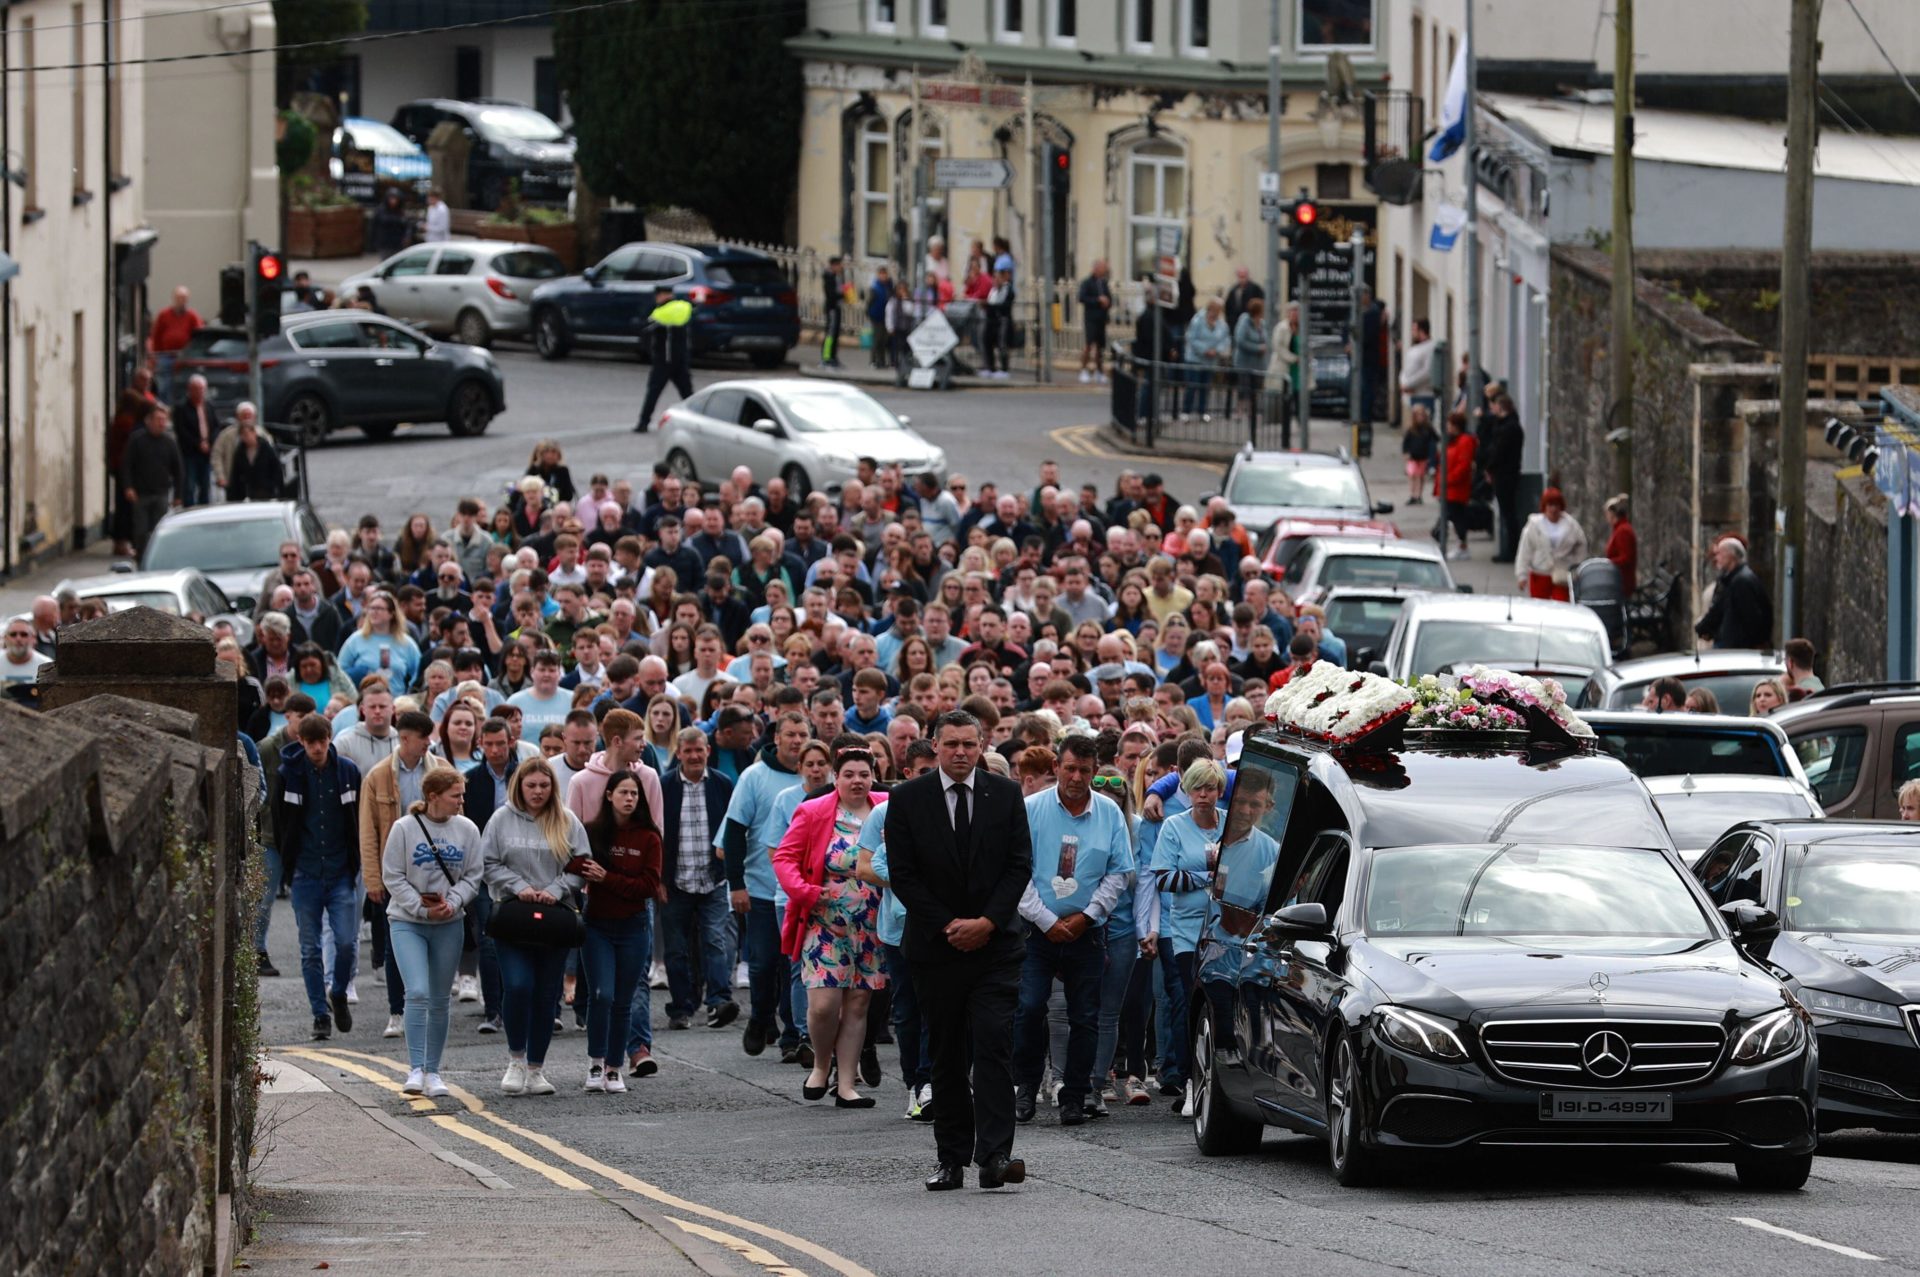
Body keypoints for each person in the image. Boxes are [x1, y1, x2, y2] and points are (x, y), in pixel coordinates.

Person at [883, 710, 1034, 1191]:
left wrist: (986, 922)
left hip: (995, 946)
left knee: (992, 1042)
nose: (962, 752)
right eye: (952, 744)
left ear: (982, 744)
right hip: (937, 946)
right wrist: (950, 925)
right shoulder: (907, 799)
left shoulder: (1005, 794)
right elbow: (903, 874)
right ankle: (951, 1158)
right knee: (946, 1053)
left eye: (970, 743)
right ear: (935, 745)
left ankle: (995, 1154)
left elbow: (1019, 865)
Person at [1013, 736, 1132, 1126]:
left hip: (1087, 928)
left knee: (1086, 1014)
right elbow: (1016, 871)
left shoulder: (1110, 814)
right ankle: (1026, 1085)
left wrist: (1088, 915)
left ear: (1095, 771)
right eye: (1069, 769)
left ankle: (1075, 1095)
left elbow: (1120, 873)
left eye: (1084, 770)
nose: (1076, 777)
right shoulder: (1031, 809)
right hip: (1035, 929)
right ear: (1056, 767)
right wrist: (1046, 920)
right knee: (1030, 1006)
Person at [774, 744, 888, 1107]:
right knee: (824, 1005)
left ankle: (846, 1084)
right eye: (849, 774)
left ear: (873, 776)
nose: (857, 781)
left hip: (871, 924)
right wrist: (806, 892)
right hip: (825, 922)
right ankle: (821, 1064)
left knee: (857, 1004)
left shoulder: (885, 808)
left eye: (864, 774)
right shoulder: (813, 811)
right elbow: (785, 858)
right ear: (835, 778)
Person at [480, 757, 591, 1096]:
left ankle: (536, 1068)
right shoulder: (501, 819)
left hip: (553, 917)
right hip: (513, 915)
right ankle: (515, 1058)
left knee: (546, 993)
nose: (538, 791)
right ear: (519, 786)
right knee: (517, 985)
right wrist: (519, 887)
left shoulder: (567, 820)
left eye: (544, 785)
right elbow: (488, 863)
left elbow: (580, 864)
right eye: (531, 785)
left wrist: (554, 890)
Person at [381, 766, 482, 1098]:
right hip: (407, 922)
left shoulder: (467, 829)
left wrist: (452, 903)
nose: (462, 801)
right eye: (456, 795)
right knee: (418, 992)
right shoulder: (404, 828)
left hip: (448, 924)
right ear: (433, 797)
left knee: (440, 999)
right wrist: (421, 907)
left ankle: (434, 1072)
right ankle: (416, 1067)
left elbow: (472, 876)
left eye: (463, 794)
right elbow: (392, 875)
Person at [359, 709, 450, 1038]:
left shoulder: (442, 771)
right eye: (423, 738)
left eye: (430, 737)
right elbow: (368, 832)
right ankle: (397, 1011)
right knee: (396, 945)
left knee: (434, 940)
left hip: (434, 871)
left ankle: (424, 1006)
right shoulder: (378, 776)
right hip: (396, 872)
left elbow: (458, 822)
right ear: (405, 738)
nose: (429, 743)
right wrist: (373, 878)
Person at [274, 714, 365, 1041]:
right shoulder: (288, 774)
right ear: (300, 741)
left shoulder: (348, 773)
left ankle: (338, 991)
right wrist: (289, 865)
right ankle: (319, 1013)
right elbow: (280, 820)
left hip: (341, 871)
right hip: (306, 872)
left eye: (321, 741)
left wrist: (358, 862)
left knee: (345, 942)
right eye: (309, 742)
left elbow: (357, 819)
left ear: (330, 739)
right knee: (310, 949)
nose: (316, 748)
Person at [1144, 758, 1226, 1108]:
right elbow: (1163, 876)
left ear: (1220, 791)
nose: (1203, 795)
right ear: (1187, 791)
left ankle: (1221, 1084)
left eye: (1210, 788)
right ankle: (1192, 1082)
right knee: (1188, 1005)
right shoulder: (1174, 827)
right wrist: (1204, 879)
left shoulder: (1232, 824)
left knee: (1221, 1005)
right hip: (1186, 931)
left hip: (1226, 929)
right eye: (1197, 787)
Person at [580, 771, 663, 1094]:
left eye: (634, 793)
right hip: (597, 923)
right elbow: (579, 868)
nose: (629, 799)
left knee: (623, 1001)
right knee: (601, 994)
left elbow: (648, 886)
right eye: (623, 792)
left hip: (633, 926)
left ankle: (615, 1068)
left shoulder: (649, 837)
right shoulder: (593, 832)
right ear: (609, 795)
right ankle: (595, 1062)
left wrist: (607, 878)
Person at [659, 727, 738, 1032]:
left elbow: (732, 829)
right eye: (687, 751)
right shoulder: (665, 786)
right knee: (676, 949)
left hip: (713, 879)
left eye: (699, 750)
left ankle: (719, 1000)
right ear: (678, 753)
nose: (693, 756)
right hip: (676, 880)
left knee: (715, 941)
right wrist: (660, 878)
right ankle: (681, 1006)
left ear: (707, 750)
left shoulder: (721, 783)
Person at [121, 402, 184, 555]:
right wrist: (128, 487)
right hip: (141, 493)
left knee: (159, 530)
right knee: (141, 530)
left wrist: (178, 495)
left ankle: (158, 557)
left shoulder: (169, 442)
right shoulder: (137, 440)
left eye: (164, 420)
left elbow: (178, 470)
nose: (161, 423)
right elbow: (126, 465)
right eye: (158, 419)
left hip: (161, 492)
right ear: (148, 421)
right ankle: (141, 557)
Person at [1696, 537, 1773, 651]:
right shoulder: (1732, 580)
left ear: (1731, 556)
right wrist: (1704, 628)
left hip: (1736, 648)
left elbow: (1752, 619)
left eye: (1720, 554)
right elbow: (1718, 610)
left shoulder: (1742, 582)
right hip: (1729, 644)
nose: (1716, 558)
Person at [635, 285, 694, 432]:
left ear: (662, 295)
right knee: (688, 394)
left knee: (653, 393)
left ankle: (643, 423)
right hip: (681, 359)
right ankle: (696, 422)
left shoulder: (661, 312)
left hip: (663, 360)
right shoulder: (683, 307)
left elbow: (647, 330)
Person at [1512, 488, 1588, 601]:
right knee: (1540, 608)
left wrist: (1576, 565)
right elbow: (1524, 550)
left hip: (1562, 574)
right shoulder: (1534, 525)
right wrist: (1521, 575)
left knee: (1562, 606)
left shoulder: (1571, 525)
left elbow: (1581, 544)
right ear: (1544, 506)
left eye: (1556, 505)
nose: (1553, 509)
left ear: (1560, 506)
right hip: (1539, 574)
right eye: (1550, 505)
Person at [338, 593, 423, 689]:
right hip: (365, 700)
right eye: (371, 608)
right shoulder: (355, 640)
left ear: (391, 614)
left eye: (379, 609)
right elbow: (340, 673)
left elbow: (418, 673)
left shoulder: (406, 643)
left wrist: (409, 695)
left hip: (397, 700)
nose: (374, 612)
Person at [1481, 392, 1527, 562]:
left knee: (1508, 513)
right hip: (1506, 473)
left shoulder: (1508, 428)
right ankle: (1510, 549)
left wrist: (1489, 468)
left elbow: (1498, 452)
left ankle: (1511, 550)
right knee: (1507, 513)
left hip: (1505, 475)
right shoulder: (1509, 426)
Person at [147, 284, 202, 403]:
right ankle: (164, 410)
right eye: (179, 298)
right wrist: (154, 357)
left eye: (184, 298)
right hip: (165, 356)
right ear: (174, 299)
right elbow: (156, 336)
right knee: (164, 387)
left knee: (184, 387)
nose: (181, 301)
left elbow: (198, 337)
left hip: (185, 359)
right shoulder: (164, 315)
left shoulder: (192, 317)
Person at [171, 374, 218, 507]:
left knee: (205, 485)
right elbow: (181, 431)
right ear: (189, 390)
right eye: (196, 389)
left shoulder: (208, 406)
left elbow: (215, 426)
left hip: (206, 453)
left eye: (202, 389)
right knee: (189, 486)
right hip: (190, 453)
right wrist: (198, 444)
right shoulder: (181, 408)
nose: (199, 392)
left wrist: (210, 442)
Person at [1435, 410, 1477, 560]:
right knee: (1455, 518)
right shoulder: (1451, 441)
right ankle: (1458, 545)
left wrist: (1448, 480)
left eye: (1450, 425)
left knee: (1448, 518)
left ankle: (1450, 545)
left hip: (1455, 489)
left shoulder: (1464, 441)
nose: (1448, 428)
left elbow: (1463, 465)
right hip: (1448, 488)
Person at [1181, 298, 1231, 422]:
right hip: (1194, 359)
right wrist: (1205, 350)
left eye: (1219, 311)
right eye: (1215, 310)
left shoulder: (1221, 324)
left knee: (1205, 387)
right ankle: (1186, 411)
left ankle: (1203, 412)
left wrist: (1216, 350)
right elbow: (1191, 338)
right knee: (1192, 386)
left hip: (1210, 361)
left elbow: (1226, 340)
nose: (1216, 314)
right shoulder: (1198, 320)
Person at [223, 408, 283, 503]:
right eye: (243, 435)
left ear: (254, 433)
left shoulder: (265, 447)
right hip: (250, 493)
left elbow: (276, 468)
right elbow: (236, 474)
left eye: (247, 434)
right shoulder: (240, 451)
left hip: (267, 491)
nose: (246, 438)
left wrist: (274, 487)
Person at [1231, 298, 1269, 423]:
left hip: (1258, 363)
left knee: (1256, 389)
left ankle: (1252, 412)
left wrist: (1264, 346)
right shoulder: (1244, 321)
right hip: (1245, 362)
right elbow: (1240, 340)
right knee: (1243, 388)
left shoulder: (1262, 324)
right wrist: (1257, 348)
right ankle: (1239, 412)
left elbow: (1265, 338)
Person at [1077, 260, 1112, 383]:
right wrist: (1098, 300)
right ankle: (1083, 370)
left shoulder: (1104, 283)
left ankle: (1099, 371)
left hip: (1101, 318)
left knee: (1100, 347)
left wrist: (1107, 302)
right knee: (1088, 345)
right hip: (1091, 318)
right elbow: (1081, 298)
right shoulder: (1087, 283)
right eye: (1102, 268)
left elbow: (1110, 298)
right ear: (1096, 268)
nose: (1104, 270)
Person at [2, 617, 51, 705]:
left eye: (24, 634)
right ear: (5, 638)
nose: (18, 639)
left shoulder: (46, 665)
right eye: (13, 634)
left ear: (33, 638)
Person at [1399, 316, 1437, 420]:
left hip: (1424, 393)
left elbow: (1427, 372)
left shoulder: (1430, 347)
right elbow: (1405, 370)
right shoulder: (1413, 349)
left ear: (1421, 331)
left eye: (1414, 330)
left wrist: (1409, 384)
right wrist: (1403, 383)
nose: (1412, 333)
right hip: (1412, 395)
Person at [1401, 404, 1436, 506]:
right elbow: (1406, 442)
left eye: (1422, 415)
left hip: (1423, 456)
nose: (1420, 418)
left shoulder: (1428, 429)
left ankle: (1419, 495)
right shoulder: (1411, 429)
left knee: (1420, 476)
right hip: (1413, 456)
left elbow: (1435, 438)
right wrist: (1406, 453)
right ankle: (1413, 495)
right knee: (1412, 475)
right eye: (1418, 415)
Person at [1603, 494, 1637, 595]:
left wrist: (1608, 563)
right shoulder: (1619, 529)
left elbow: (1626, 558)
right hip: (1618, 579)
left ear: (1612, 514)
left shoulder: (1623, 531)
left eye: (1607, 514)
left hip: (1622, 582)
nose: (1606, 517)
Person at [821, 255, 847, 369]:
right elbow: (831, 294)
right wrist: (842, 294)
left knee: (836, 334)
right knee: (830, 334)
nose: (841, 267)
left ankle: (833, 357)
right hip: (832, 308)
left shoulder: (839, 277)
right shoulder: (829, 277)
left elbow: (841, 290)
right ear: (834, 265)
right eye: (839, 265)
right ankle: (826, 357)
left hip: (837, 307)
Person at [371, 188, 411, 257]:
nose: (393, 201)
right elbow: (374, 226)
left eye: (395, 199)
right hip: (385, 243)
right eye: (391, 198)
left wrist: (407, 236)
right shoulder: (381, 210)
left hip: (398, 243)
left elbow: (407, 225)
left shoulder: (401, 211)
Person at [1223, 266, 1264, 333]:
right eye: (1240, 276)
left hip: (1252, 323)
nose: (1242, 279)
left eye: (1243, 276)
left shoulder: (1255, 289)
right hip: (1235, 324)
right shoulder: (1233, 290)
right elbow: (1228, 308)